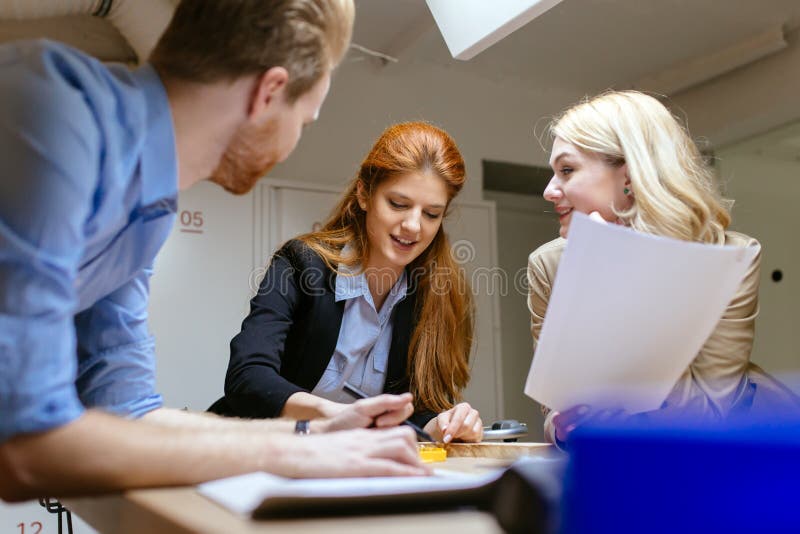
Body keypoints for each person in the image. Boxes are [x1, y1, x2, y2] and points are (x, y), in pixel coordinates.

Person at [0, 0, 430, 504]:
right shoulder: (52, 115)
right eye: (305, 120)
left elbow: (131, 412)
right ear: (269, 93)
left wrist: (315, 434)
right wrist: (292, 455)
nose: (295, 140)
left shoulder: (147, 210)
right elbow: (25, 448)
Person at [527, 90, 795, 447]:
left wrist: (623, 278)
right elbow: (554, 410)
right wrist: (561, 426)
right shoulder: (549, 265)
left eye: (567, 170)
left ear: (629, 176)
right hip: (618, 461)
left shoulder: (729, 256)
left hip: (729, 452)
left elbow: (710, 412)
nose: (549, 190)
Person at [210, 121, 484, 443]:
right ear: (364, 194)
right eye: (398, 204)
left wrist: (439, 424)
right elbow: (248, 378)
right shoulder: (301, 262)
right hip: (262, 447)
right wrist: (345, 418)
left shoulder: (434, 292)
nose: (413, 226)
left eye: (431, 214)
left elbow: (415, 409)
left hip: (352, 462)